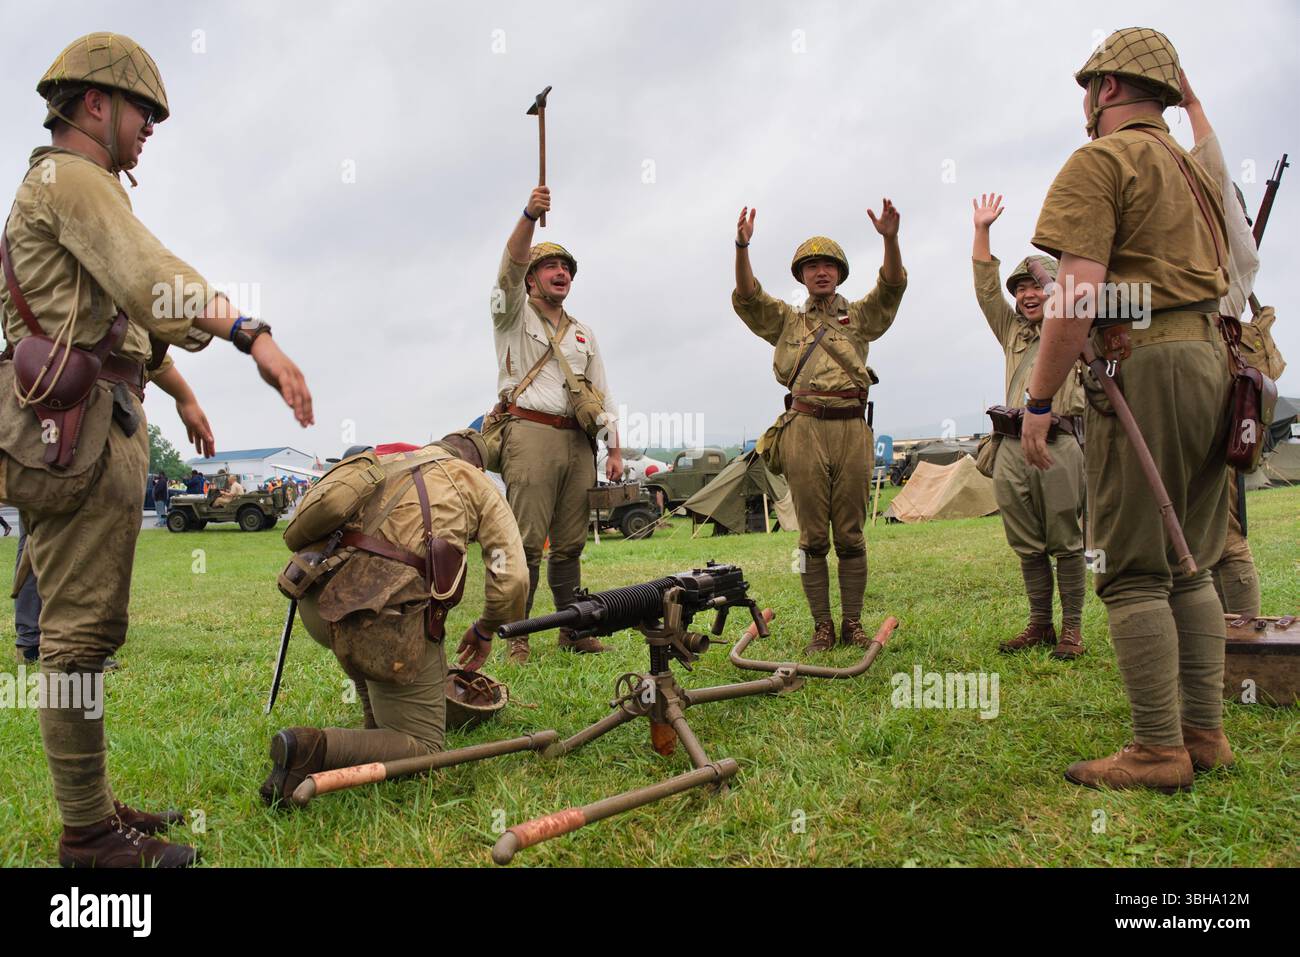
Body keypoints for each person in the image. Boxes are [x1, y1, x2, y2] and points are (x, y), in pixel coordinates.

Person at [0, 32, 313, 868]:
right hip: (74, 430)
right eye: (144, 112)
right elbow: (148, 273)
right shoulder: (71, 180)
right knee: (70, 640)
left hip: (97, 422)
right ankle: (88, 837)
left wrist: (181, 391)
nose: (151, 130)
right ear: (95, 104)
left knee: (88, 632)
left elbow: (121, 318)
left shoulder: (82, 187)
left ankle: (95, 807)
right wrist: (250, 332)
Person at [1022, 27, 1234, 793]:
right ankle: (1204, 735)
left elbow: (1074, 295)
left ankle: (1157, 750)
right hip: (1214, 359)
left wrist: (1038, 400)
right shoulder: (1194, 171)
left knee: (1131, 569)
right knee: (1193, 558)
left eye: (1089, 89)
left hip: (1145, 366)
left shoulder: (1100, 160)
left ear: (1105, 88)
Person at [261, 438, 529, 806]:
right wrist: (486, 627)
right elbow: (512, 577)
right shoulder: (473, 481)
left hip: (317, 602)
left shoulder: (385, 463)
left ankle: (375, 733)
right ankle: (308, 749)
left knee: (370, 653)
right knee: (425, 747)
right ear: (478, 464)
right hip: (376, 619)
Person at [732, 203, 906, 653]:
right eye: (811, 266)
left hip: (851, 428)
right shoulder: (789, 321)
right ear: (801, 276)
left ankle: (852, 624)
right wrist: (742, 246)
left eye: (828, 264)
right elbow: (749, 297)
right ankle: (822, 627)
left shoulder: (860, 317)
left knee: (850, 534)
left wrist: (889, 239)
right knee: (812, 538)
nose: (820, 272)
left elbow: (891, 288)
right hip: (804, 427)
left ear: (840, 272)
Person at [491, 184, 622, 664]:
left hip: (579, 443)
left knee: (569, 545)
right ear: (531, 278)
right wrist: (529, 213)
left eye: (566, 267)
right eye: (549, 266)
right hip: (530, 434)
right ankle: (518, 634)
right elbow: (506, 270)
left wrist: (614, 448)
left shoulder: (584, 333)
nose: (561, 272)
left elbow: (603, 394)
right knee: (526, 544)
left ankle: (571, 630)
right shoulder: (510, 314)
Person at [1181, 71, 1283, 620]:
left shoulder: (1222, 272)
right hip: (1196, 390)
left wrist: (1193, 103)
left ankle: (1242, 636)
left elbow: (1213, 174)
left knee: (1224, 533)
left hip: (1213, 390)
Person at [970, 195, 1088, 659]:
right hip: (1012, 446)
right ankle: (1040, 624)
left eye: (1036, 287)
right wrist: (982, 230)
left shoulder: (1080, 327)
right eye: (1020, 289)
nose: (1026, 295)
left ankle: (1073, 630)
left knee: (1066, 540)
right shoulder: (1012, 330)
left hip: (1059, 443)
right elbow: (984, 291)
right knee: (1026, 542)